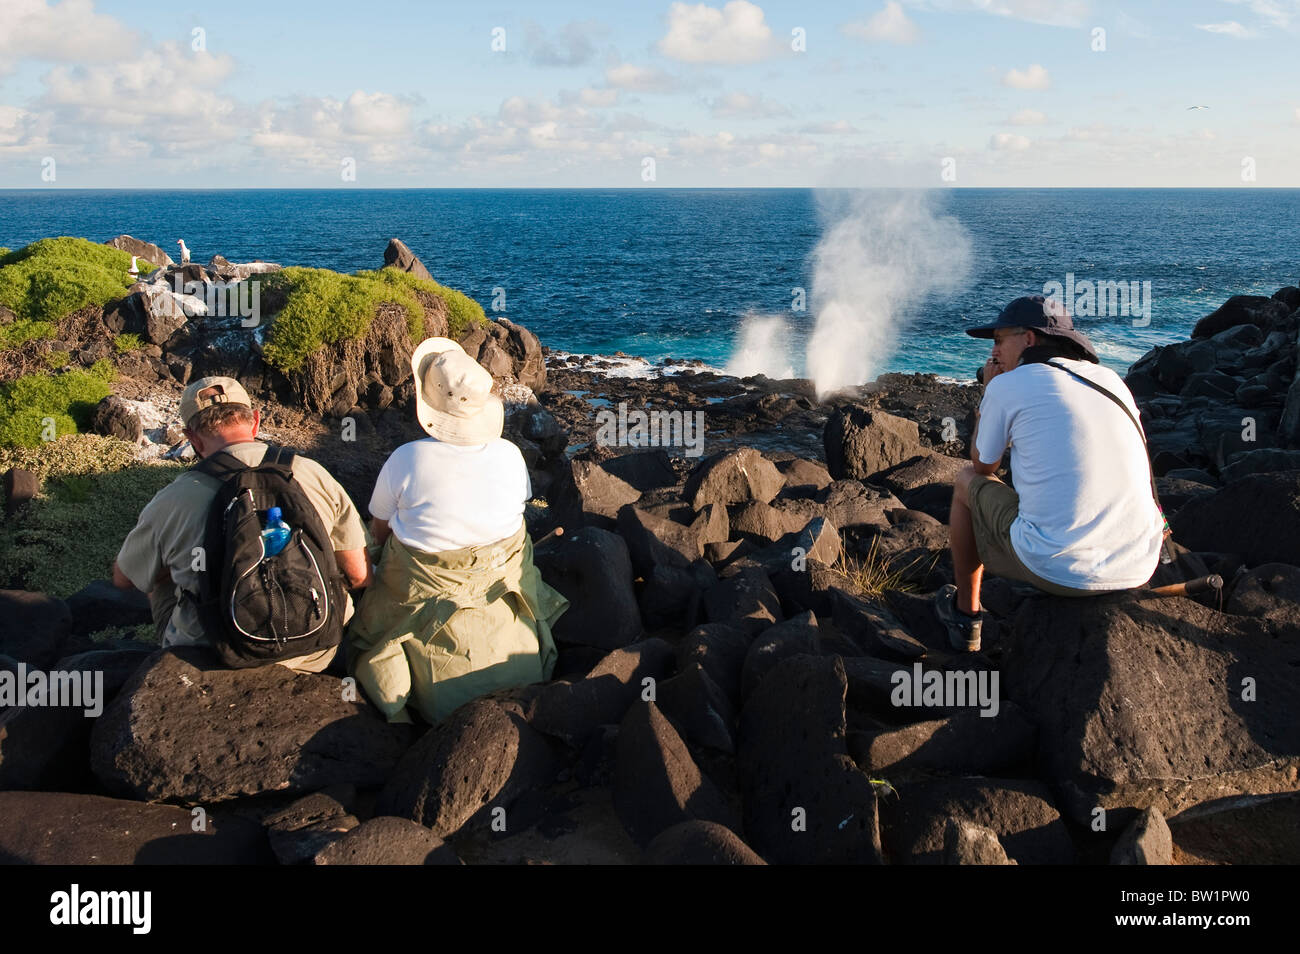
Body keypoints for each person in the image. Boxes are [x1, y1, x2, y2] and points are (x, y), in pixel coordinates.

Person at [348, 337, 568, 724]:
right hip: (502, 578)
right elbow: (519, 510)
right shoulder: (510, 454)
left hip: (423, 585)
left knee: (368, 582)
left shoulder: (407, 459)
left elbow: (379, 531)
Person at [934, 295, 1166, 652]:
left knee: (966, 480)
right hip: (1139, 565)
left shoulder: (1007, 385)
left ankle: (967, 618)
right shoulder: (1111, 380)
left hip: (1059, 571)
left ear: (1028, 339)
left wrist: (988, 394)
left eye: (998, 340)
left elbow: (983, 464)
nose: (994, 352)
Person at [112, 376, 372, 672]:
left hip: (215, 653)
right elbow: (360, 575)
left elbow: (124, 579)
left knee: (159, 577)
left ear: (192, 438)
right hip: (316, 647)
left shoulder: (173, 498)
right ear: (256, 421)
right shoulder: (312, 472)